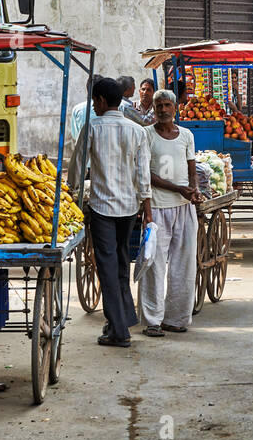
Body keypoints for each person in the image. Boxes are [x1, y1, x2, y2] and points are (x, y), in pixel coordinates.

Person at [69, 77, 151, 348]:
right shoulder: (137, 130)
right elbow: (143, 175)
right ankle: (124, 316)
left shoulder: (92, 127)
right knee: (120, 261)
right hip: (129, 208)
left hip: (103, 208)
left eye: (95, 100)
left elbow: (78, 168)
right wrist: (145, 206)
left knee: (106, 265)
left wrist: (72, 194)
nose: (94, 105)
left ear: (102, 101)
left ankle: (118, 331)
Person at [142, 89, 200, 337]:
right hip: (157, 208)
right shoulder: (146, 135)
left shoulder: (186, 135)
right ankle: (153, 320)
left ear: (175, 108)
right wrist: (179, 189)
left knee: (184, 264)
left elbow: (192, 169)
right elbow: (146, 174)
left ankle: (176, 318)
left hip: (184, 208)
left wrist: (194, 189)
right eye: (159, 106)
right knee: (154, 265)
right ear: (153, 109)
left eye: (167, 105)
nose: (163, 110)